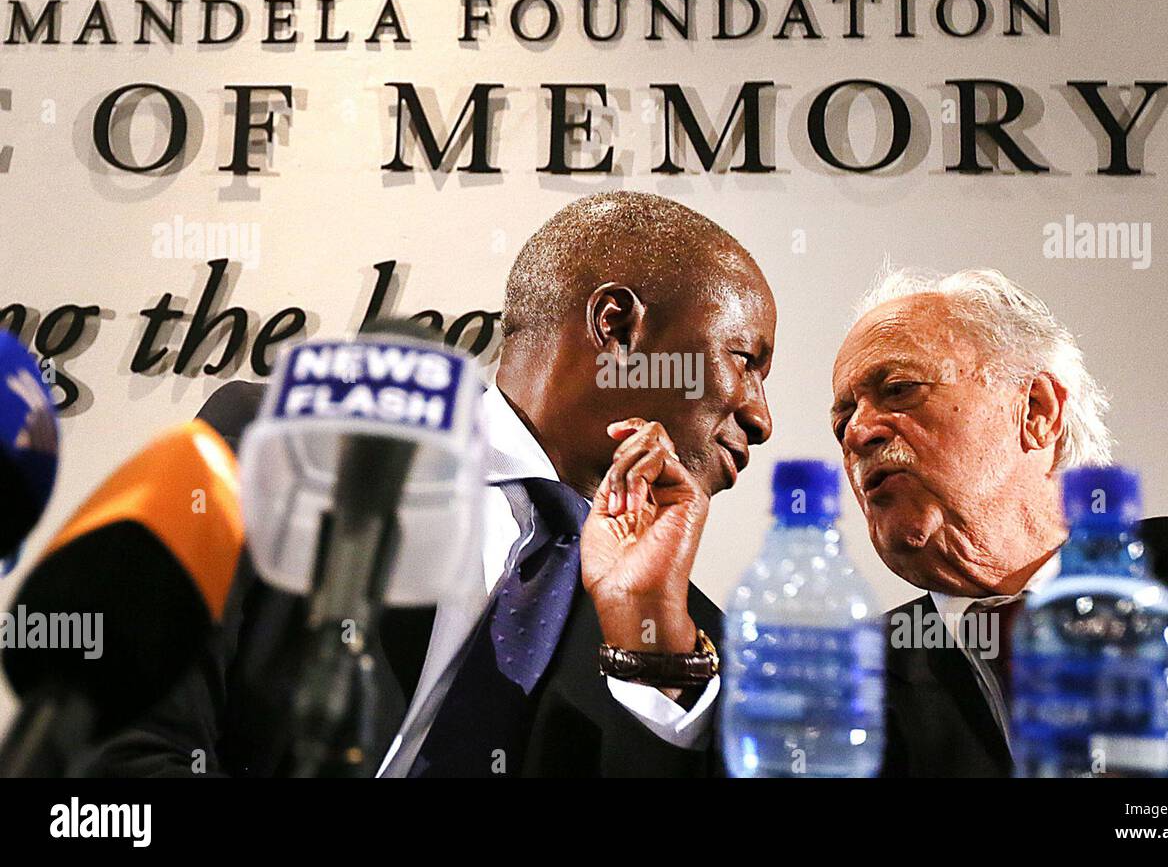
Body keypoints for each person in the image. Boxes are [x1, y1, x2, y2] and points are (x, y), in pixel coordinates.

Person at [91, 191, 776, 777]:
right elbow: (117, 743)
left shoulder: (686, 647)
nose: (761, 416)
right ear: (617, 327)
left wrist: (649, 653)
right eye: (745, 360)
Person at [830, 266, 1168, 777]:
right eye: (842, 419)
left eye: (899, 389)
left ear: (1036, 410)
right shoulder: (842, 687)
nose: (858, 433)